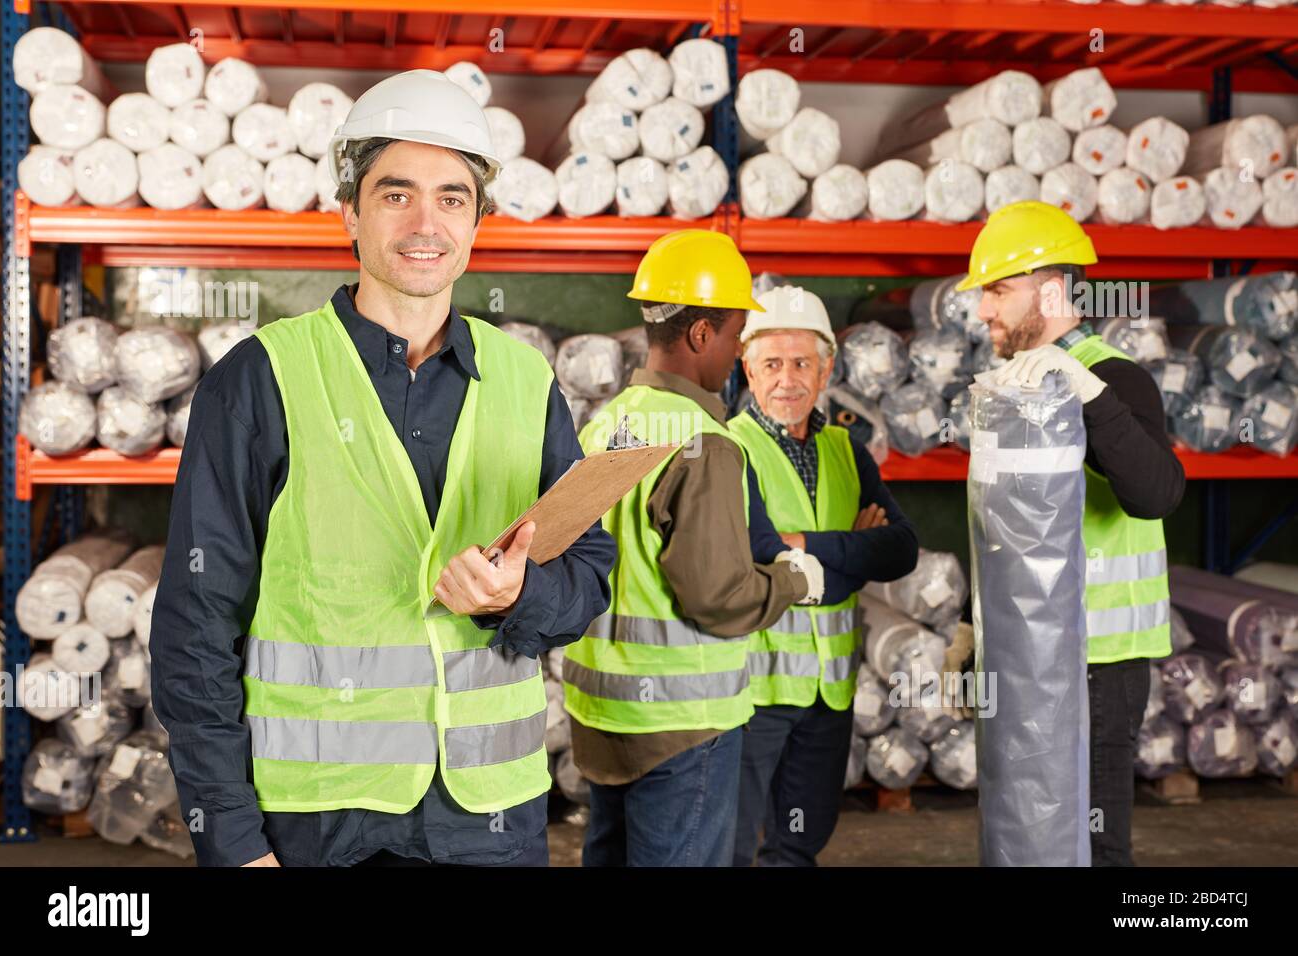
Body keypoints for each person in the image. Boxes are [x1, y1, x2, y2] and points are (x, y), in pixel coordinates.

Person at [150, 69, 615, 868]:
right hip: (319, 822)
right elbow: (195, 628)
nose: (425, 222)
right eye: (396, 194)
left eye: (453, 197)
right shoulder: (261, 380)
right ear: (350, 214)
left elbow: (588, 577)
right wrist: (229, 838)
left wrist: (521, 595)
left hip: (490, 820)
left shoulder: (526, 382)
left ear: (477, 223)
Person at [563, 230, 825, 867]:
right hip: (682, 724)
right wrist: (795, 581)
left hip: (602, 716)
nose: (738, 352)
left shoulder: (608, 423)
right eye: (737, 334)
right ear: (702, 335)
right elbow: (717, 598)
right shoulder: (703, 441)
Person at [953, 199, 1184, 866]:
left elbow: (1157, 493)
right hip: (1027, 654)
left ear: (1052, 290)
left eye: (998, 290)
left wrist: (1086, 391)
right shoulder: (1011, 387)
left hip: (1097, 662)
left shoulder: (1113, 378)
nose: (984, 311)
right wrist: (974, 628)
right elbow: (1006, 520)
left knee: (1091, 839)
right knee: (1025, 830)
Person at [728, 284, 919, 866]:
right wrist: (852, 553)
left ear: (827, 367)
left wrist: (807, 545)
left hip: (828, 693)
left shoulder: (848, 450)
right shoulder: (729, 449)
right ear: (748, 369)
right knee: (731, 844)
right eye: (772, 363)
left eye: (802, 363)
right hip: (754, 693)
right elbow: (759, 559)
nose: (788, 379)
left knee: (800, 844)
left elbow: (900, 551)